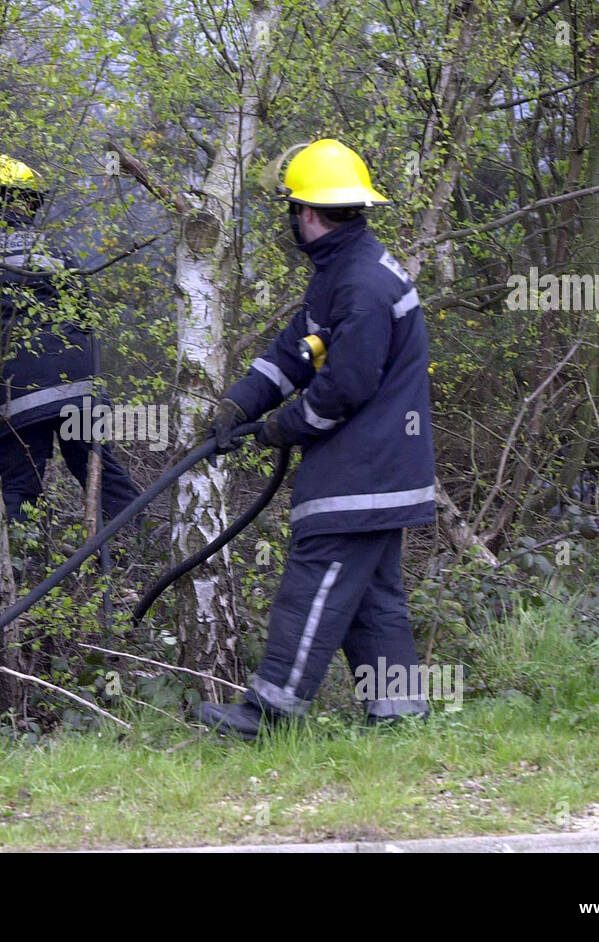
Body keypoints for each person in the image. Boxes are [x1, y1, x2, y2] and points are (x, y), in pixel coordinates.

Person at [195, 139, 436, 739]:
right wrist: (240, 403)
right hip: (380, 469)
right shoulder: (345, 272)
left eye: (290, 209)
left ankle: (268, 715)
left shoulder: (360, 284)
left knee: (316, 579)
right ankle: (400, 720)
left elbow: (345, 388)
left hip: (364, 468)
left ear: (306, 212)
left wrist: (284, 427)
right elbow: (293, 355)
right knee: (373, 598)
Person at [0, 155, 142, 522]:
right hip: (77, 388)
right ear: (28, 202)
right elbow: (86, 314)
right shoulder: (54, 252)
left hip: (16, 397)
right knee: (101, 473)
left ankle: (17, 570)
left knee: (18, 486)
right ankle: (142, 551)